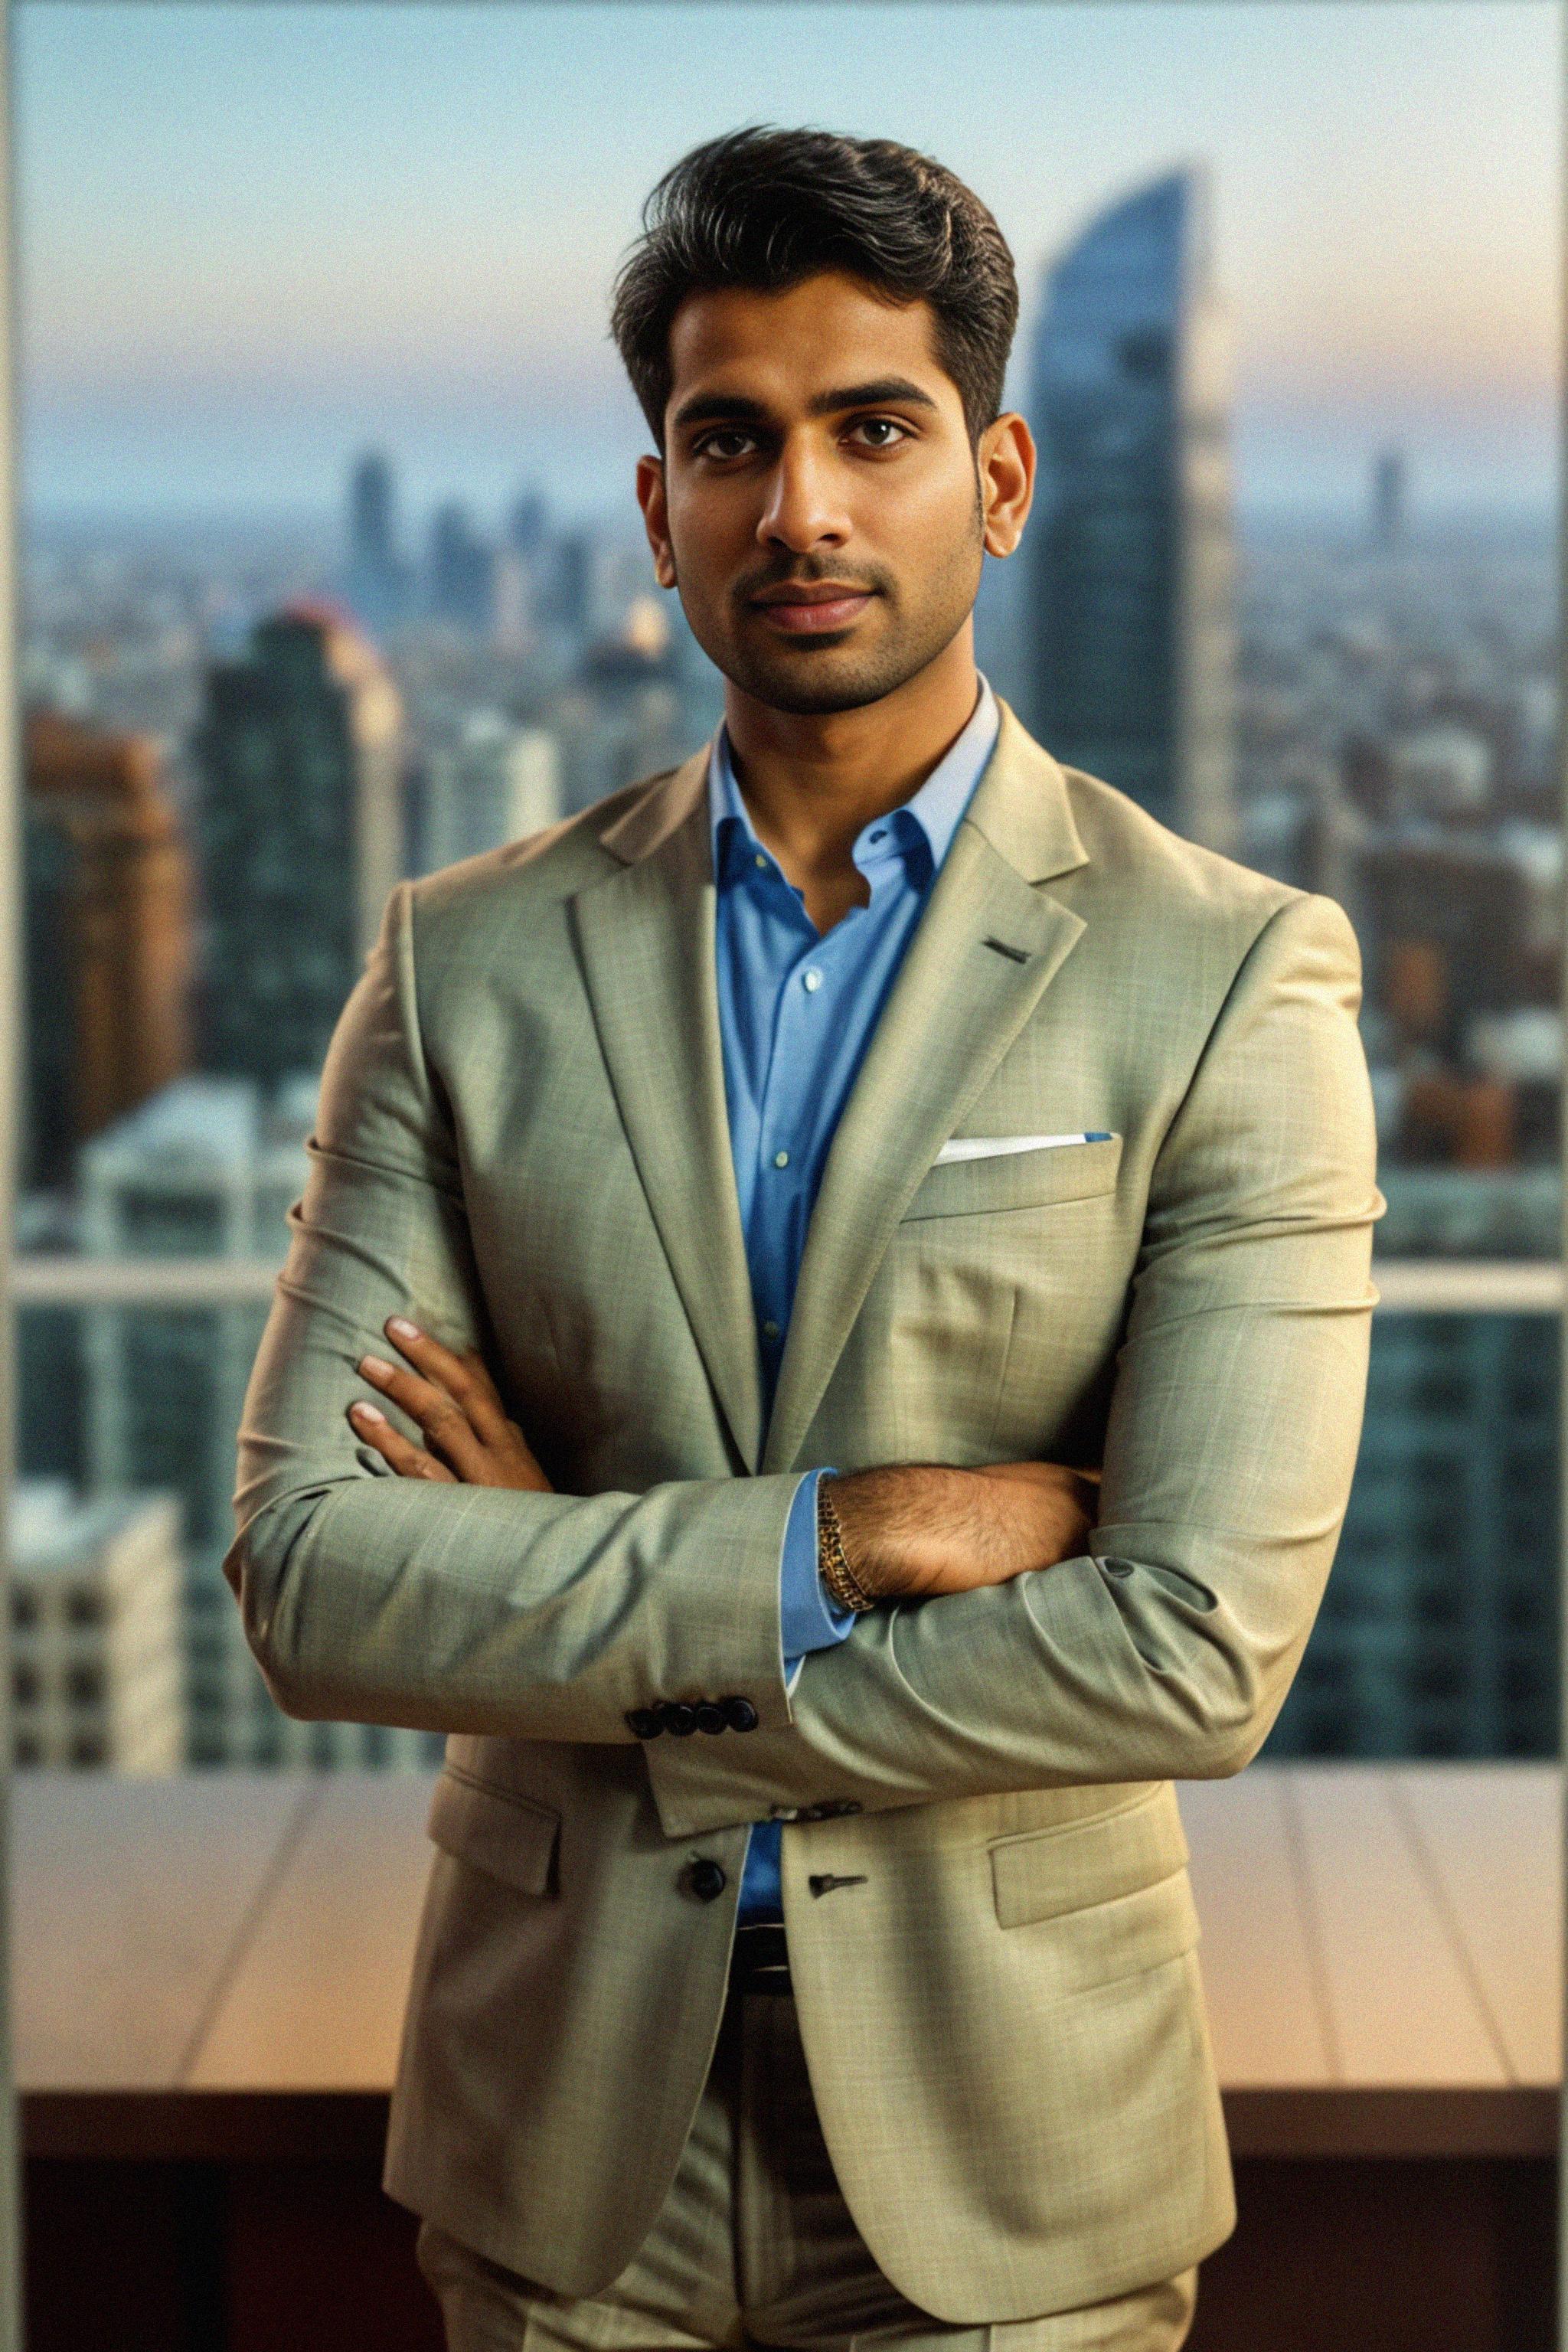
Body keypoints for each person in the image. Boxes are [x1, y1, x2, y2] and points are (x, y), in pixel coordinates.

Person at [226, 126, 1381, 2352]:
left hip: (1011, 2140)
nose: (806, 510)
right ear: (660, 513)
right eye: (730, 442)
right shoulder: (463, 960)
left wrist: (585, 1614)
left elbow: (1197, 1649)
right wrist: (861, 1533)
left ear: (1006, 476)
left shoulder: (1229, 971)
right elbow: (311, 1576)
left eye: (877, 430)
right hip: (565, 2132)